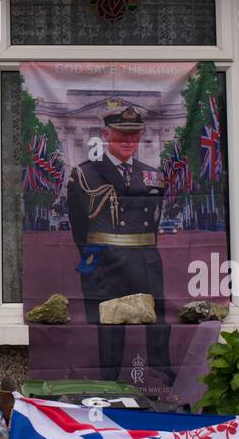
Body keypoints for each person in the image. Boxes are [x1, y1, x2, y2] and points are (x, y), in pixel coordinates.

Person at [67, 103, 174, 384]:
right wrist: (95, 257)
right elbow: (79, 226)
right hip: (107, 259)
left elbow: (155, 219)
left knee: (157, 319)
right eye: (121, 134)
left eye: (134, 134)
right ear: (105, 134)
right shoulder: (85, 173)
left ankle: (160, 377)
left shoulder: (152, 174)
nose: (129, 140)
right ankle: (109, 382)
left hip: (145, 258)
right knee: (110, 323)